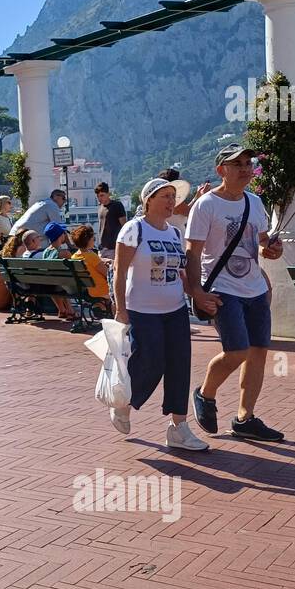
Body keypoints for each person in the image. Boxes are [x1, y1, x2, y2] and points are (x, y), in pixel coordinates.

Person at [187, 144, 286, 442]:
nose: (245, 168)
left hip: (254, 288)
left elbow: (261, 243)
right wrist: (195, 291)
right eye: (236, 163)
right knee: (237, 351)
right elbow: (192, 254)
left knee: (258, 353)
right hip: (222, 288)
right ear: (221, 170)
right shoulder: (206, 205)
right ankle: (205, 394)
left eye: (247, 163)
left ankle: (246, 418)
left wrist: (273, 249)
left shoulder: (255, 202)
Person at [109, 179, 207, 450]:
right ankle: (125, 404)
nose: (170, 201)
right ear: (148, 200)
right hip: (142, 311)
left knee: (179, 365)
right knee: (150, 362)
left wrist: (198, 294)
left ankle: (179, 428)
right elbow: (119, 272)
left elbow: (182, 274)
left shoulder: (175, 233)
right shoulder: (134, 229)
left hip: (175, 310)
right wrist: (121, 309)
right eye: (164, 196)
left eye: (173, 197)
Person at [69, 224, 110, 303]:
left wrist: (102, 261)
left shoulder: (74, 257)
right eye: (93, 238)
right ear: (87, 240)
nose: (94, 240)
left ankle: (100, 306)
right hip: (104, 290)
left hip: (90, 291)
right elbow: (107, 274)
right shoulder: (91, 256)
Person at [94, 182, 127, 259]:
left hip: (113, 247)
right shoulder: (100, 208)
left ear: (108, 194)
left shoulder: (117, 205)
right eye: (98, 196)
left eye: (102, 195)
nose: (100, 198)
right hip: (102, 247)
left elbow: (124, 226)